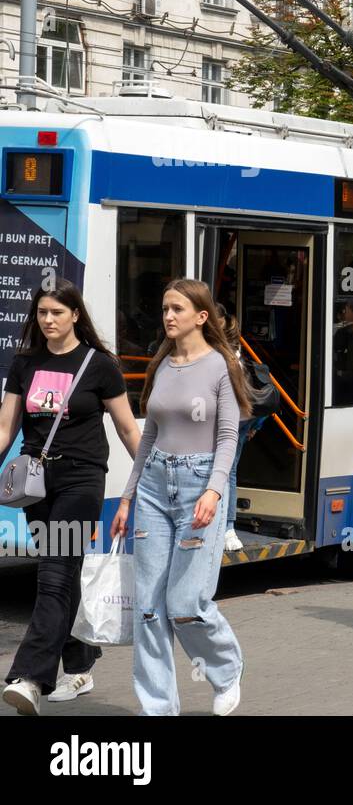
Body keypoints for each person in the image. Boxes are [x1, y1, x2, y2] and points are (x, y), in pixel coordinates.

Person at [111, 278, 250, 715]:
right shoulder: (162, 365)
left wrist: (213, 490)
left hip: (198, 486)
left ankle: (226, 671)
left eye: (177, 309)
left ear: (201, 317)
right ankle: (158, 709)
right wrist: (128, 497)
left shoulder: (222, 367)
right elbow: (149, 433)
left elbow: (228, 435)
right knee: (149, 610)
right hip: (153, 486)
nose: (168, 316)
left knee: (186, 603)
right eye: (165, 308)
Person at [1, 281, 141, 716]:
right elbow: (6, 428)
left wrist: (151, 482)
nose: (48, 320)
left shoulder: (99, 365)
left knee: (54, 573)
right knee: (66, 573)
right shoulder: (25, 362)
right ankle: (80, 664)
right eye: (42, 312)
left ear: (75, 315)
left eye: (57, 313)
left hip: (81, 480)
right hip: (37, 481)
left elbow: (126, 428)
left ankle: (28, 678)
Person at [216, 305, 254, 553]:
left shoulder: (229, 353)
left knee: (227, 472)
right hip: (225, 421)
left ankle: (228, 526)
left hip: (233, 423)